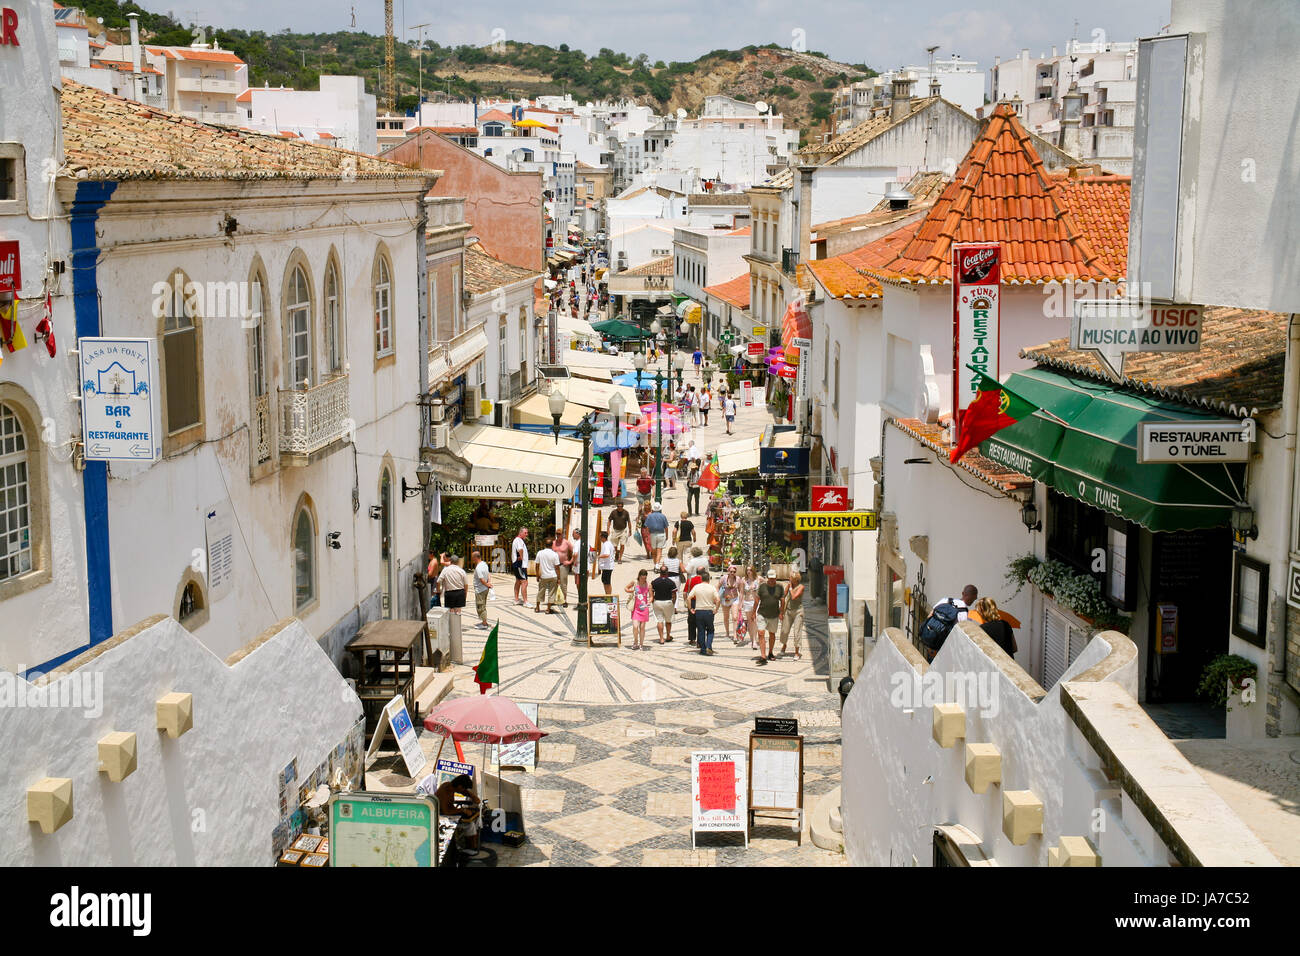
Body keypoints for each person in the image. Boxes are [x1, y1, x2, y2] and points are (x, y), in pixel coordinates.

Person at [427, 774, 483, 859]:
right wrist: (463, 810)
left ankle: (470, 845)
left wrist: (471, 796)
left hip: (449, 814)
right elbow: (446, 811)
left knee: (473, 819)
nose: (463, 790)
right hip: (441, 817)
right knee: (469, 825)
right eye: (463, 788)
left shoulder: (451, 786)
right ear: (460, 786)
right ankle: (471, 847)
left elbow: (468, 794)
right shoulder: (445, 790)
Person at [755, 569, 785, 664]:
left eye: (773, 578)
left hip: (774, 614)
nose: (772, 580)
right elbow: (757, 599)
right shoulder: (762, 586)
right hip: (762, 613)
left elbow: (782, 600)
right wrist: (753, 612)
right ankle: (763, 656)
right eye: (770, 578)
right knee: (761, 633)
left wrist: (781, 612)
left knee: (772, 634)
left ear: (776, 578)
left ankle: (770, 652)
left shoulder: (780, 587)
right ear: (767, 578)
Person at [689, 570, 719, 656]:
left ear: (701, 579)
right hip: (709, 611)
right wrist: (716, 609)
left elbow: (689, 598)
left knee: (701, 630)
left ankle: (703, 649)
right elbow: (718, 600)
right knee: (710, 630)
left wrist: (690, 608)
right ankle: (709, 646)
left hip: (699, 611)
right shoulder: (712, 587)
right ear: (709, 579)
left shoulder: (697, 587)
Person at [780, 570, 805, 659]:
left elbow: (794, 596)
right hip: (788, 610)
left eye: (790, 577)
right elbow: (783, 596)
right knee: (784, 630)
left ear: (795, 579)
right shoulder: (789, 586)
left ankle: (797, 652)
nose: (789, 579)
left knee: (797, 632)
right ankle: (784, 645)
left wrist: (790, 588)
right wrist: (781, 611)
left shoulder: (801, 587)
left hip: (798, 611)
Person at [625, 568, 652, 650]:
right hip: (636, 608)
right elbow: (626, 588)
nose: (643, 580)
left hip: (644, 608)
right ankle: (635, 641)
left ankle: (641, 644)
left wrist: (649, 602)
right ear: (639, 576)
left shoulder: (649, 585)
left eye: (645, 578)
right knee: (635, 626)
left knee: (642, 627)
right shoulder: (634, 582)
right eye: (642, 578)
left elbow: (651, 596)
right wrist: (632, 591)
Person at [651, 565, 678, 644]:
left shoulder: (655, 581)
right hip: (668, 602)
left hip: (657, 602)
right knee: (668, 621)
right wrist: (673, 603)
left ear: (660, 572)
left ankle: (661, 638)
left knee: (659, 621)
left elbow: (652, 593)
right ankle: (668, 636)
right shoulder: (671, 582)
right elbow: (674, 594)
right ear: (667, 572)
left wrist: (653, 601)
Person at [534, 540, 560, 613]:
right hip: (553, 575)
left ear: (544, 545)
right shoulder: (555, 554)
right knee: (551, 592)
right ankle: (548, 609)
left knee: (541, 591)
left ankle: (537, 607)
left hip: (543, 575)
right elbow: (557, 568)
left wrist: (537, 575)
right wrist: (559, 578)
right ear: (552, 545)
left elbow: (537, 565)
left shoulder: (540, 553)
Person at [720, 565, 742, 644]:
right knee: (726, 617)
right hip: (725, 600)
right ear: (728, 571)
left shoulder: (738, 579)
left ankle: (735, 635)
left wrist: (741, 602)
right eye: (731, 571)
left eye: (734, 572)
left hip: (734, 599)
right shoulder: (724, 578)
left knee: (735, 617)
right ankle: (727, 633)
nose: (732, 573)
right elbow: (717, 586)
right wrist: (717, 597)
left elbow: (741, 591)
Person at [471, 550, 493, 628]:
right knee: (483, 605)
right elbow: (488, 574)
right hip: (485, 589)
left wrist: (487, 584)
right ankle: (484, 621)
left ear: (476, 557)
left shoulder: (478, 568)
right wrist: (489, 583)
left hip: (480, 589)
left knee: (480, 606)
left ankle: (484, 623)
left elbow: (481, 579)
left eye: (472, 557)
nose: (472, 559)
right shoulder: (484, 564)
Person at [554, 529, 574, 607]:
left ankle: (564, 600)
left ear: (562, 534)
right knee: (554, 582)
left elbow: (575, 552)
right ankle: (555, 599)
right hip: (555, 566)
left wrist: (570, 561)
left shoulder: (567, 542)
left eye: (559, 534)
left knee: (563, 583)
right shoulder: (553, 543)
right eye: (557, 534)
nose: (558, 535)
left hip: (563, 565)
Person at [741, 566, 760, 648]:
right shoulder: (744, 580)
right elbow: (741, 592)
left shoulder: (758, 578)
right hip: (747, 602)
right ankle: (752, 639)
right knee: (749, 622)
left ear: (753, 571)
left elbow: (767, 583)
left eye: (750, 570)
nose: (749, 571)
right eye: (747, 570)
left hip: (755, 602)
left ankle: (755, 640)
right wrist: (740, 604)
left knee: (755, 621)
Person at [511, 528, 530, 605]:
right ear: (520, 533)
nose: (526, 534)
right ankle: (525, 601)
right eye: (525, 533)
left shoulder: (518, 540)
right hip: (520, 564)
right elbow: (520, 549)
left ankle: (516, 599)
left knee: (518, 581)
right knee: (524, 582)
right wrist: (522, 558)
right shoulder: (518, 540)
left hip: (518, 563)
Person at [597, 530, 615, 595]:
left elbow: (607, 554)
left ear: (603, 537)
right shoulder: (608, 544)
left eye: (600, 537)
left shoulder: (606, 545)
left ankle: (608, 595)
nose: (599, 538)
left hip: (607, 566)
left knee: (607, 582)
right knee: (605, 581)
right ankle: (607, 594)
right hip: (607, 566)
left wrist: (598, 556)